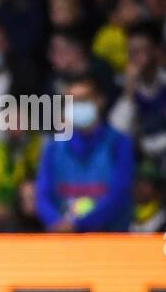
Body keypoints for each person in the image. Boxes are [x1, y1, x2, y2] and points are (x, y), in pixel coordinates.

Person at [35, 75, 134, 232]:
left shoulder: (119, 144)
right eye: (71, 101)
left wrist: (79, 224)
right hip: (65, 239)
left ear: (99, 100)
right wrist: (57, 222)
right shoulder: (54, 147)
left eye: (83, 100)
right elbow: (43, 195)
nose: (76, 106)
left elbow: (119, 194)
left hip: (110, 239)